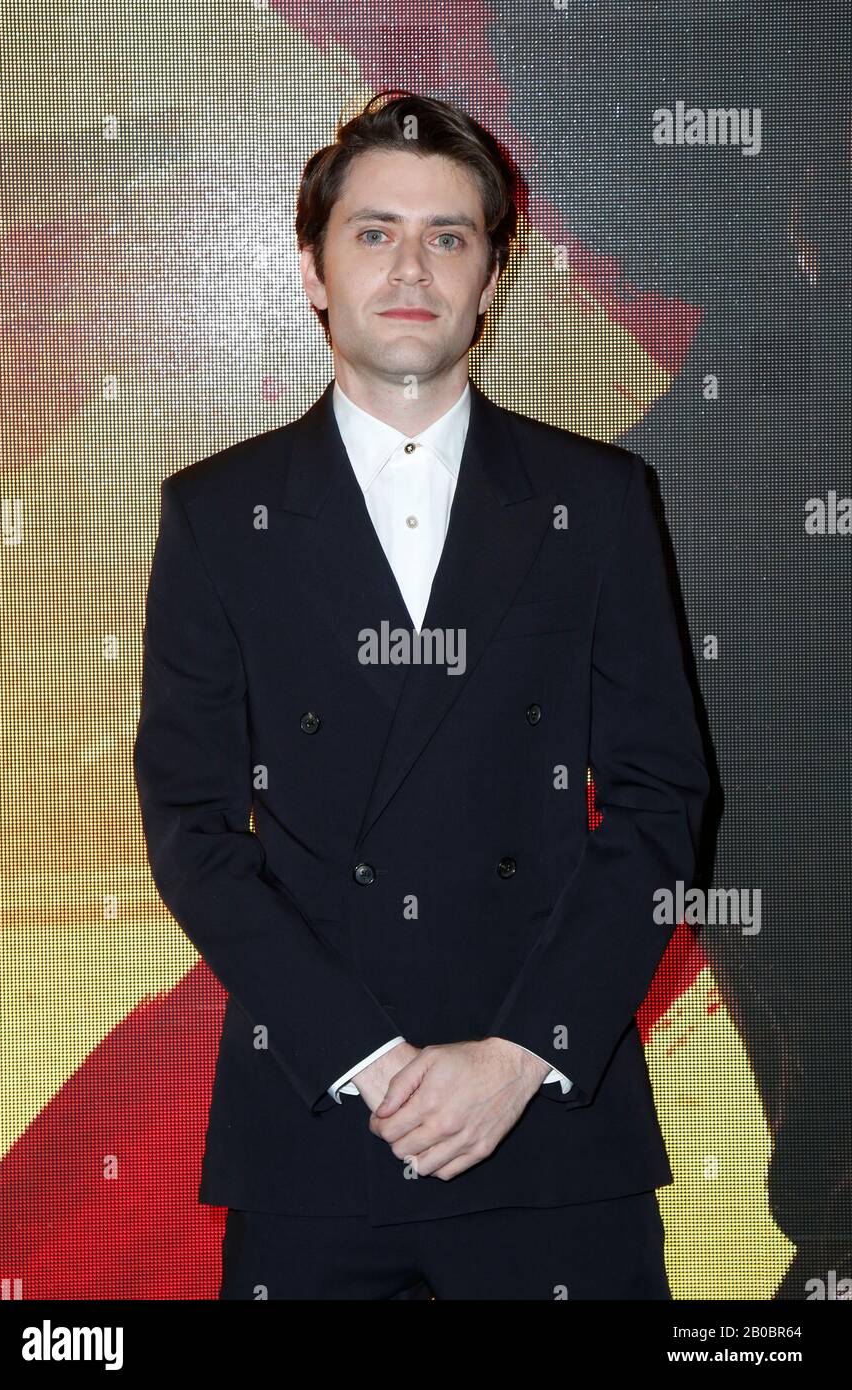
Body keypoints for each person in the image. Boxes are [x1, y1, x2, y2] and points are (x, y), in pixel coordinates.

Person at [133, 90, 710, 1300]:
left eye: (448, 236)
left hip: (554, 1130)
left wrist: (519, 1055)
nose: (411, 266)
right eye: (374, 231)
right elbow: (190, 828)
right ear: (312, 268)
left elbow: (663, 800)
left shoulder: (597, 500)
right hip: (315, 1128)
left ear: (492, 278)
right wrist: (364, 1055)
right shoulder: (213, 512)